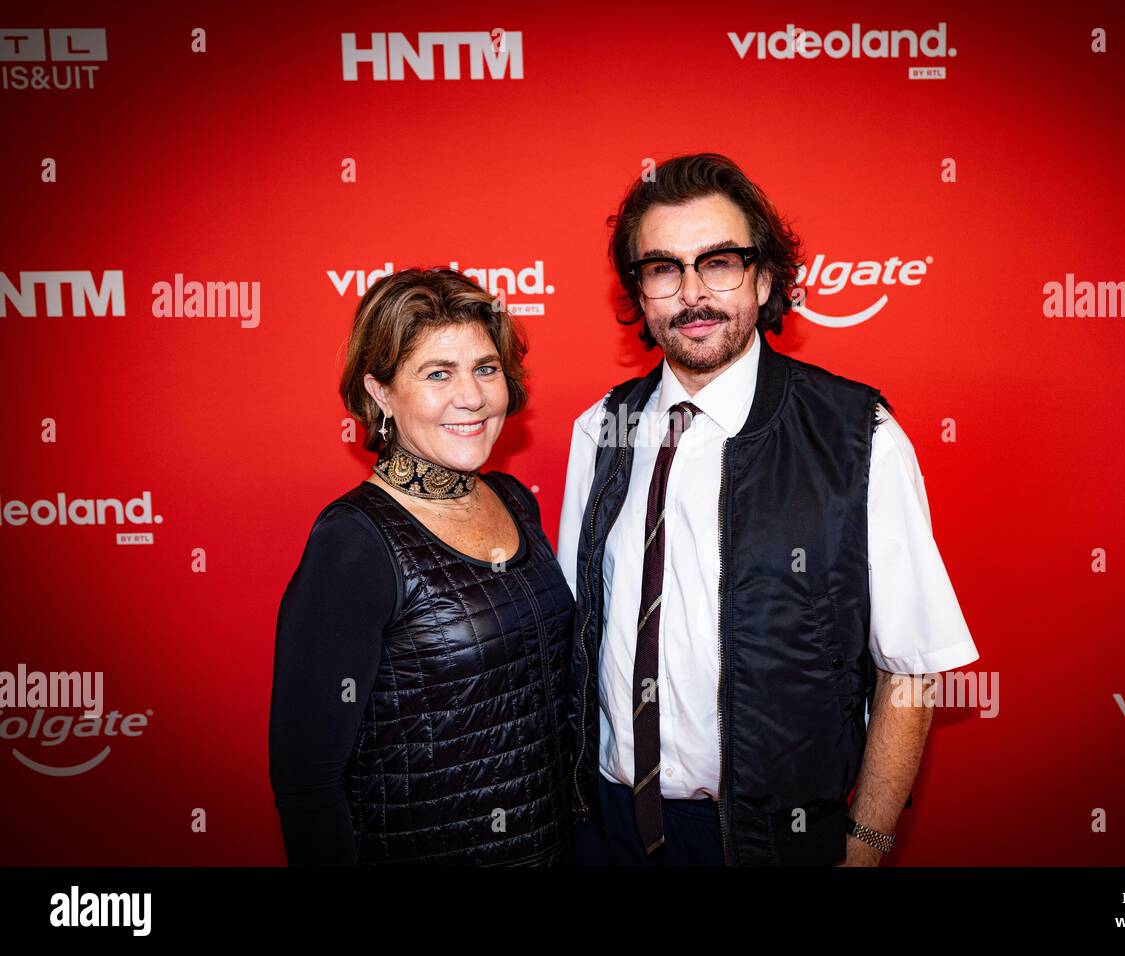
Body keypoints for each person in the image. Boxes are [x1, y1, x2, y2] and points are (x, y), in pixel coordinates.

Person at [558, 153, 980, 866]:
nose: (692, 293)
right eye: (663, 269)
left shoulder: (858, 433)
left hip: (771, 845)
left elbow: (909, 667)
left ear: (762, 277)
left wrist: (867, 846)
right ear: (639, 291)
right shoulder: (600, 429)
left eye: (718, 262)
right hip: (609, 832)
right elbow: (574, 636)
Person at [270, 268, 574, 865]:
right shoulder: (353, 543)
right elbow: (307, 782)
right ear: (381, 393)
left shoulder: (514, 499)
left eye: (485, 369)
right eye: (438, 374)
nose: (472, 396)